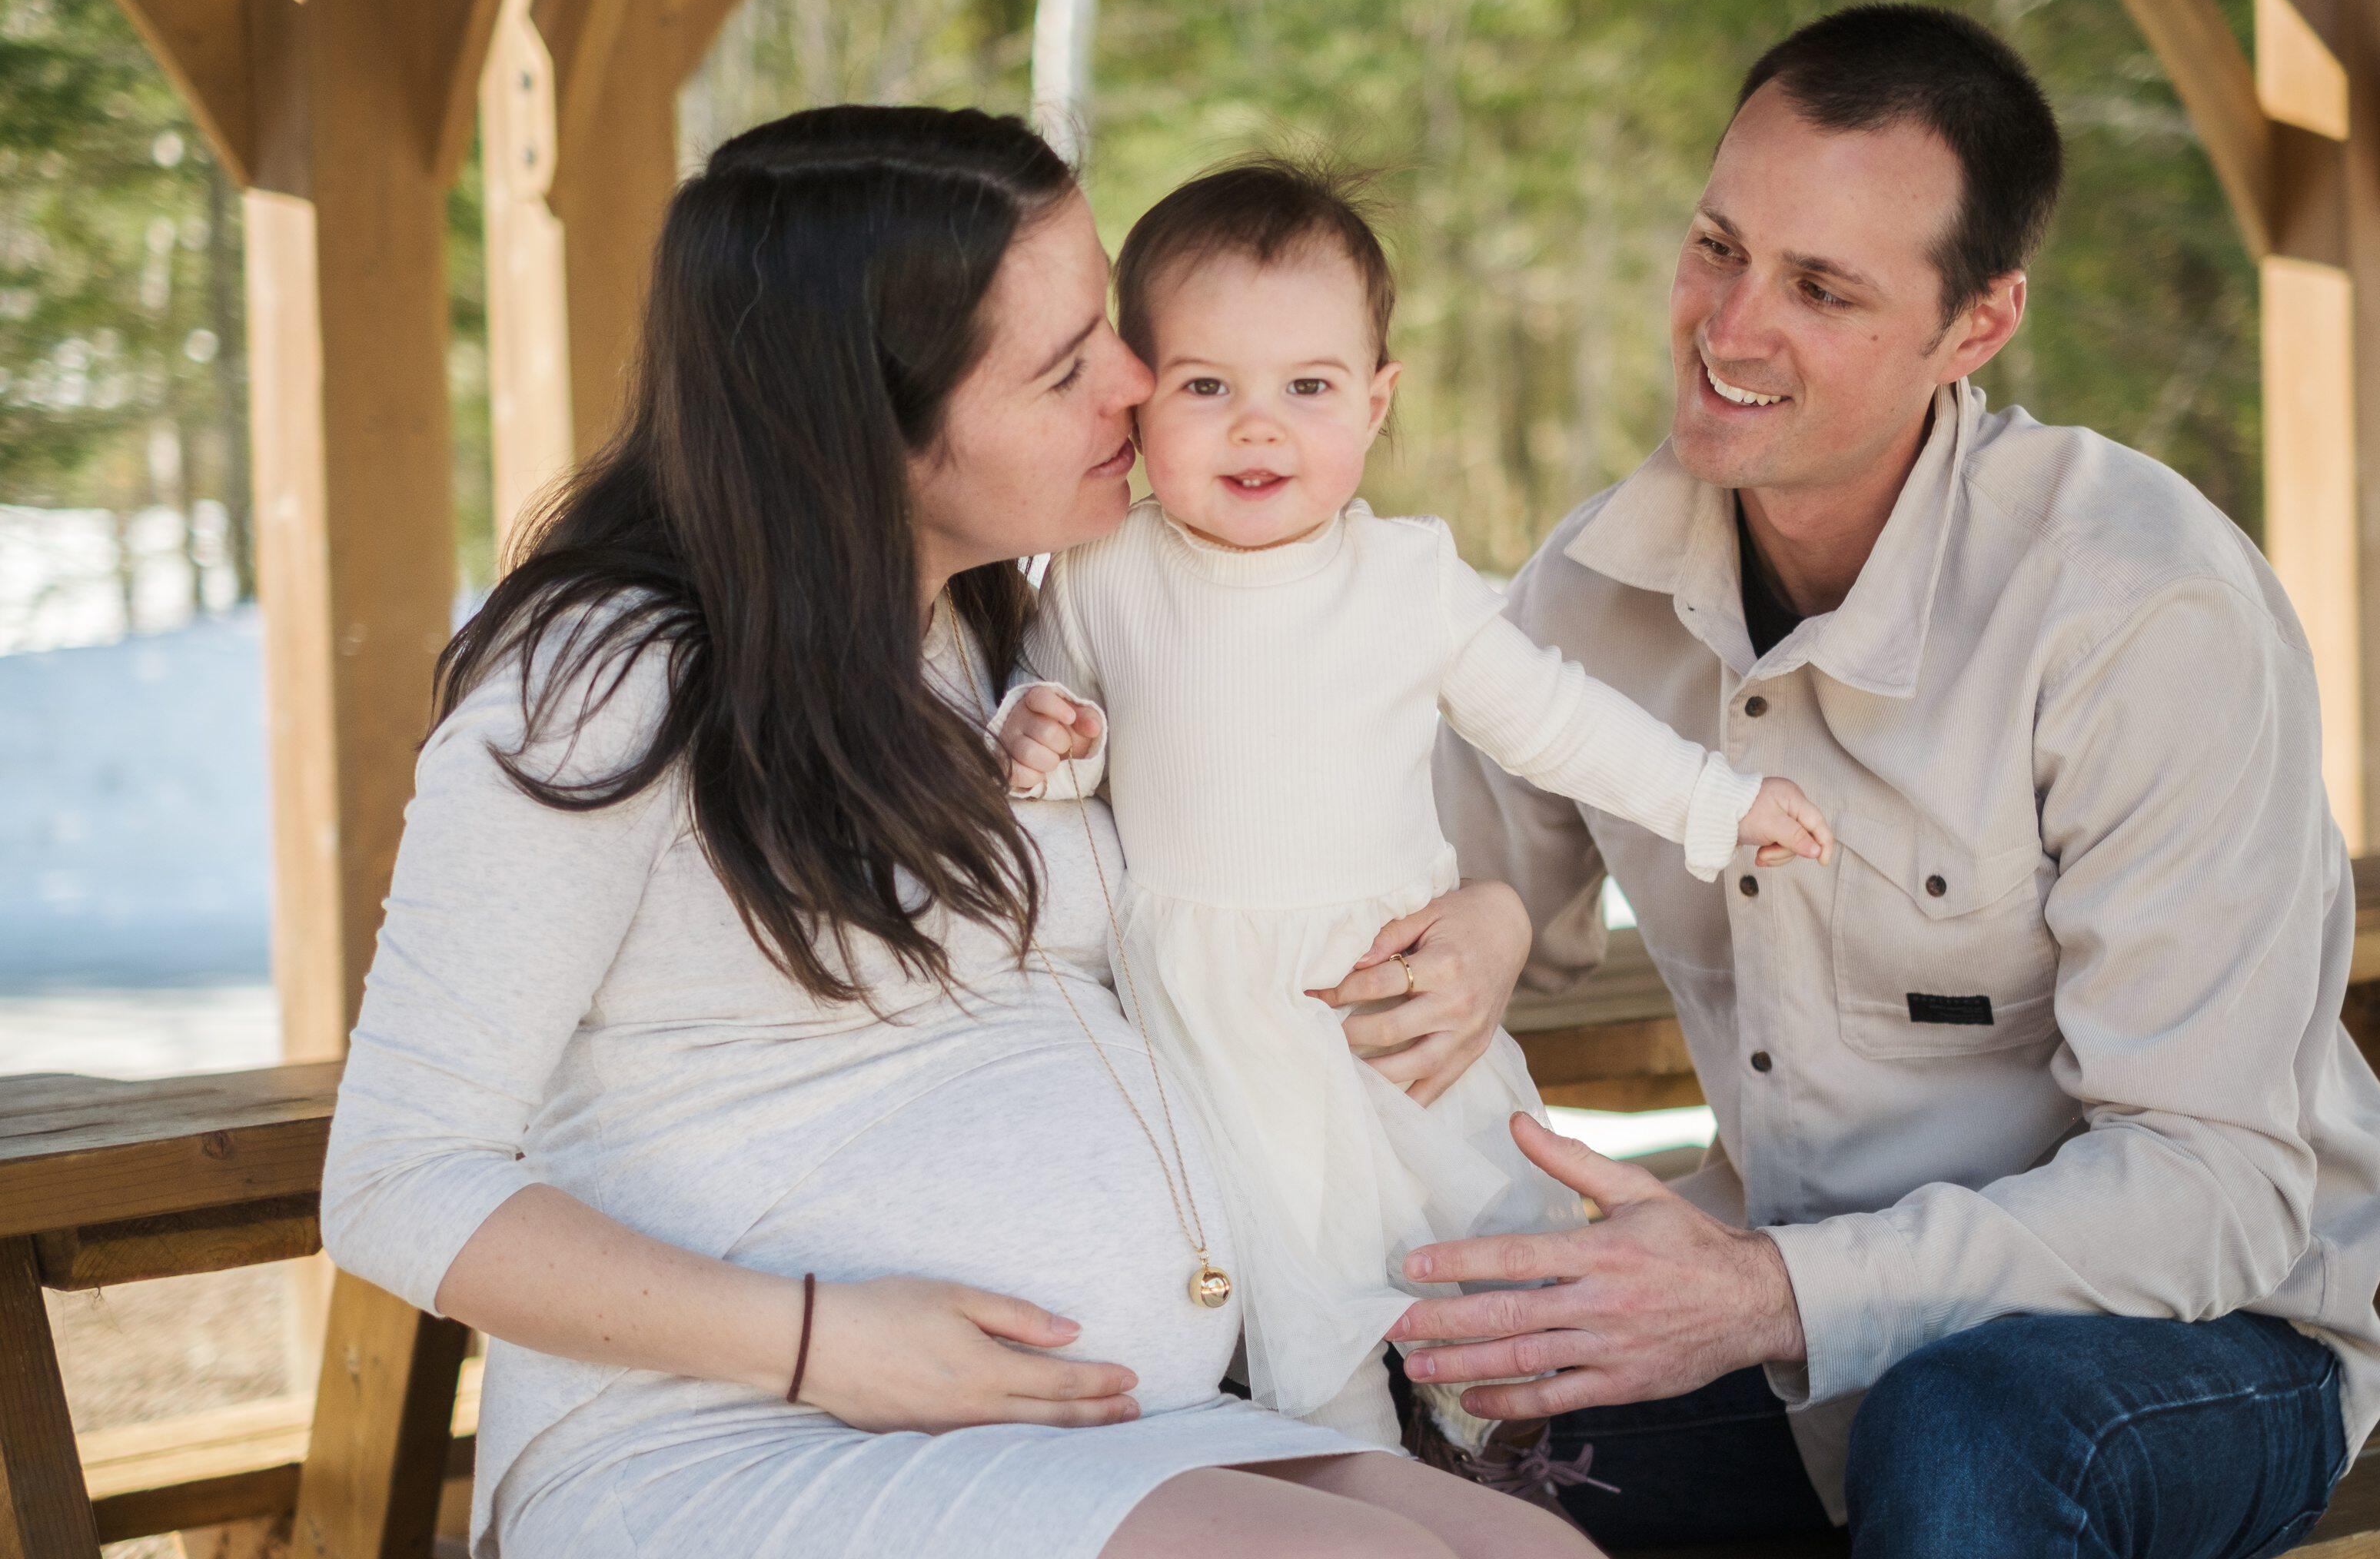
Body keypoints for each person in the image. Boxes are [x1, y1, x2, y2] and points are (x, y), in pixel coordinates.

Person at [314, 104, 1592, 1559]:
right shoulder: (608, 683)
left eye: (1109, 323)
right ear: (867, 423)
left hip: (1093, 1428)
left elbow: (1260, 863)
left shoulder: (1003, 636)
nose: (1136, 379)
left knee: (1531, 1554)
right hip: (730, 1434)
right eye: (1064, 367)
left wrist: (1481, 919)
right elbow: (397, 1180)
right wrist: (815, 1343)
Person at [1393, 2, 2380, 1558]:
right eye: (1719, 246)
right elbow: (1460, 902)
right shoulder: (1583, 597)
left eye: (1822, 289)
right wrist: (1481, 933)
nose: (1729, 325)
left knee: (1969, 1431)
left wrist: (1772, 1293)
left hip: (2212, 1340)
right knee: (1468, 1445)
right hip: (1783, 1310)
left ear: (1976, 329)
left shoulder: (2138, 602)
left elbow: (2215, 1192)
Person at [989, 157, 1830, 1454]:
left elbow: (1562, 721)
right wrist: (1039, 737)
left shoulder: (1407, 580)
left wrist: (1717, 800)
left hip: (1385, 1003)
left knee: (1474, 1278)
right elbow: (1058, 728)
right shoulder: (1106, 567)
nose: (1258, 428)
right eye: (1208, 388)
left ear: (1377, 403)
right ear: (1138, 399)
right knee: (1300, 1332)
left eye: (1307, 389)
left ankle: (1500, 1472)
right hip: (1201, 1026)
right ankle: (1361, 1485)